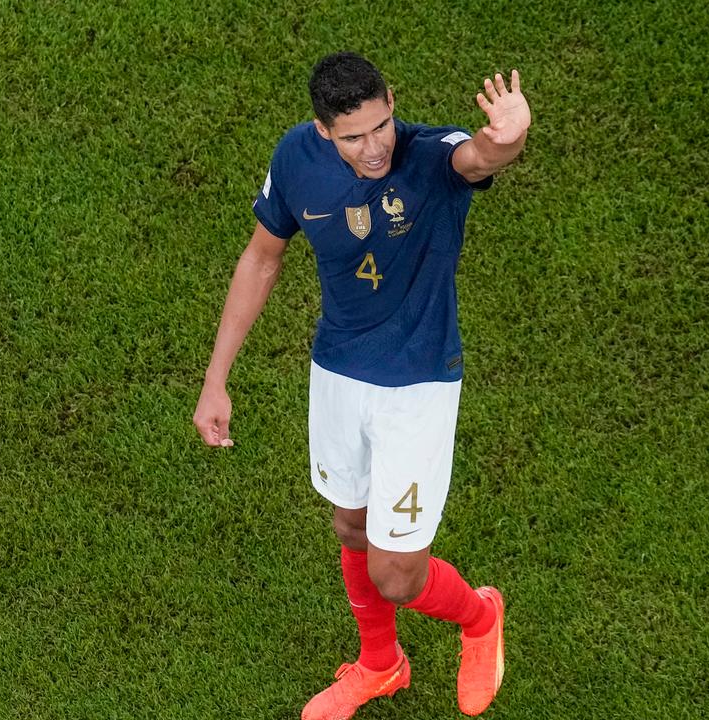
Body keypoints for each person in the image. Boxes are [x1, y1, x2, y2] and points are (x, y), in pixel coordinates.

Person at [193, 51, 530, 719]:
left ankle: (480, 615)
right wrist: (216, 380)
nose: (374, 147)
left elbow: (479, 158)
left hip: (417, 386)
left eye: (382, 125)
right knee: (350, 523)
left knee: (396, 574)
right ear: (323, 131)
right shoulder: (296, 158)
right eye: (354, 136)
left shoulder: (430, 155)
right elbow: (263, 256)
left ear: (392, 103)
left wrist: (509, 135)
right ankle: (381, 665)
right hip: (339, 374)